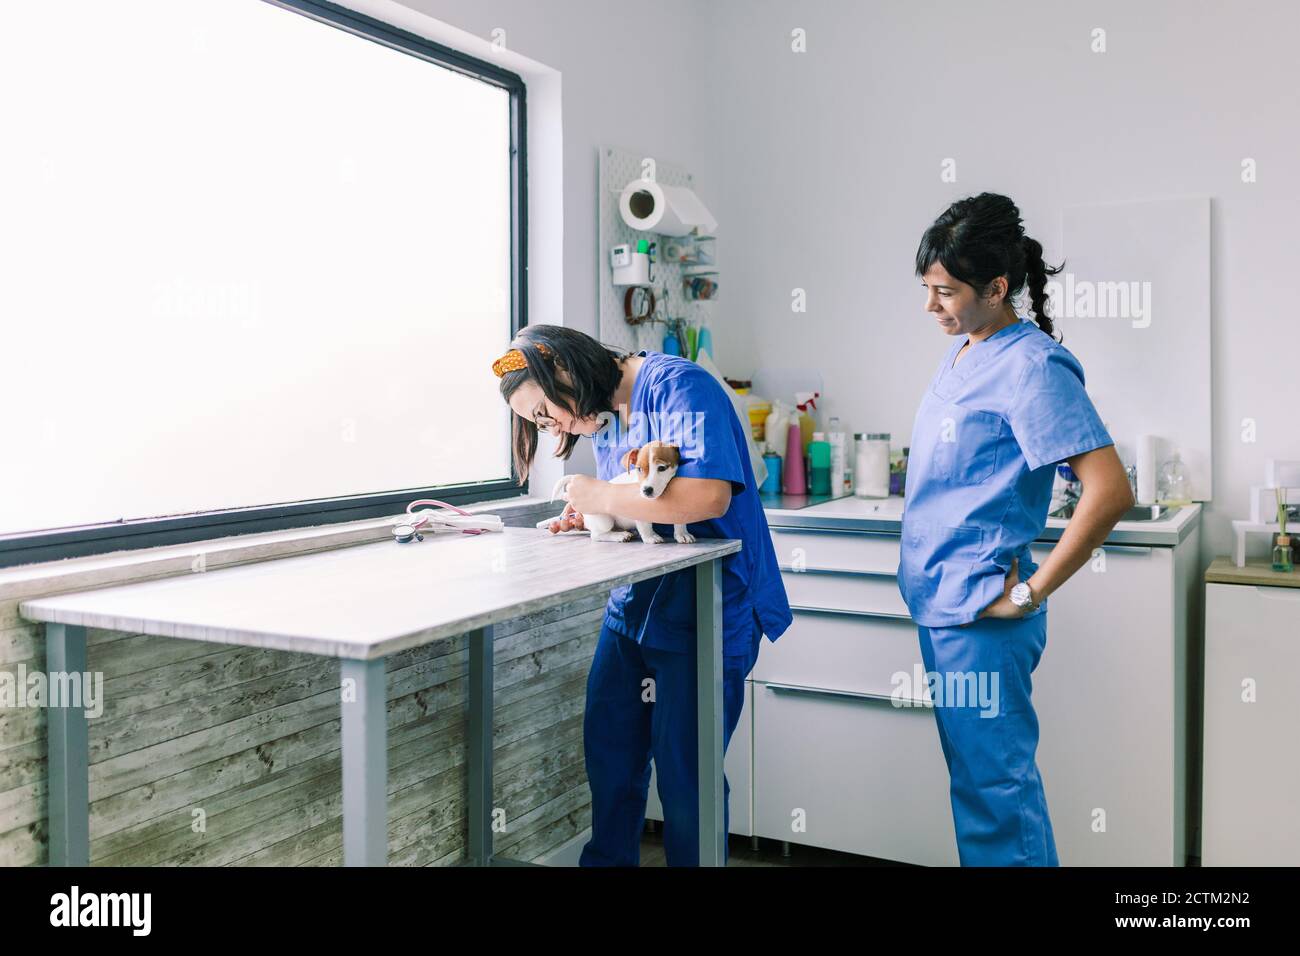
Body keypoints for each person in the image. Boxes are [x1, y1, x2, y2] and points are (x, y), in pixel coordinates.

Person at [494, 325, 792, 865]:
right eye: (539, 424)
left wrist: (602, 492)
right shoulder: (605, 419)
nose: (553, 427)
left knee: (687, 777)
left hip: (706, 613)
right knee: (611, 761)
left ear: (563, 370)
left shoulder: (680, 386)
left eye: (545, 413)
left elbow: (706, 497)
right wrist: (595, 516)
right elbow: (645, 506)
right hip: (634, 610)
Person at [900, 193, 1134, 866]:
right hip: (944, 607)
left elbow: (1111, 491)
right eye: (927, 290)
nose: (931, 306)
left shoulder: (1033, 366)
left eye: (945, 292)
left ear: (997, 288)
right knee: (979, 791)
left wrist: (1031, 591)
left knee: (996, 794)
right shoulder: (970, 348)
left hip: (982, 616)